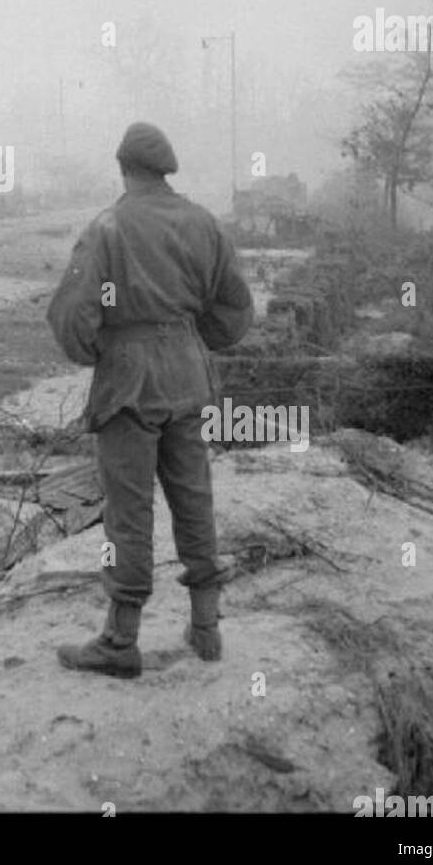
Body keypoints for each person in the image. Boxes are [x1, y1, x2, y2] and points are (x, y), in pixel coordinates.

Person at [47, 121, 253, 677]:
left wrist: (104, 351)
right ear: (165, 169)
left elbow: (73, 314)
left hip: (129, 381)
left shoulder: (107, 228)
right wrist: (190, 338)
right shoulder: (203, 223)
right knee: (195, 497)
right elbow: (234, 306)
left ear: (123, 167)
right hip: (188, 376)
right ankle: (207, 627)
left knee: (128, 511)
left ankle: (120, 640)